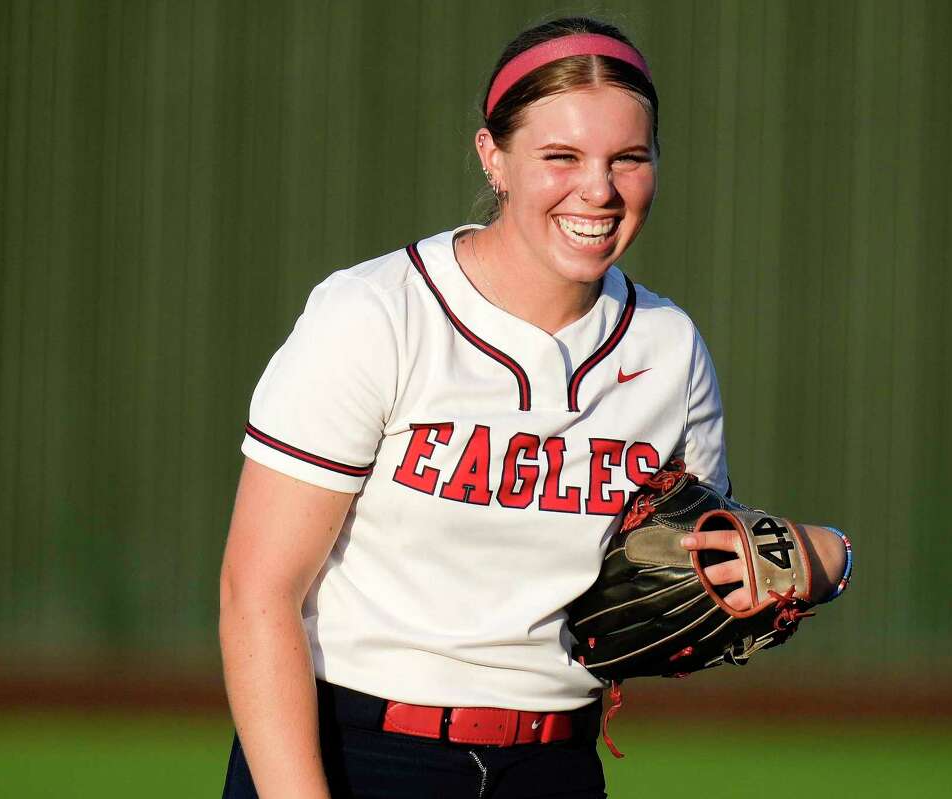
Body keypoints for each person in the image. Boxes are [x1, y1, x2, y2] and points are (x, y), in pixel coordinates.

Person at [219, 16, 850, 799]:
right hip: (361, 753)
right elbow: (258, 592)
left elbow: (681, 573)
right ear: (495, 158)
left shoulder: (667, 347)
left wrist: (829, 560)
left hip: (554, 764)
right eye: (561, 157)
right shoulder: (380, 314)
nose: (598, 188)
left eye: (629, 158)